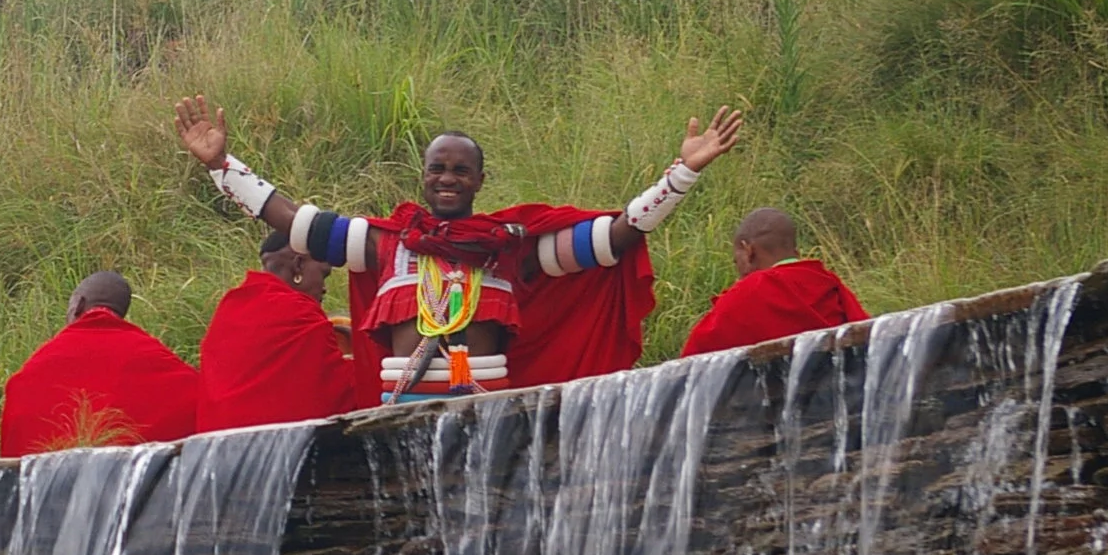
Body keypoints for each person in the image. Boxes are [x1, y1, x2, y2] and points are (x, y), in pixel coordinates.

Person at [175, 95, 743, 402]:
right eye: (438, 169)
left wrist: (682, 175)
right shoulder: (384, 244)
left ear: (478, 180)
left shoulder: (511, 249)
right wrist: (221, 166)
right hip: (402, 409)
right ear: (423, 176)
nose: (448, 178)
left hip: (490, 408)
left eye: (461, 170)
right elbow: (290, 219)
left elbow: (616, 237)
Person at [0, 271, 199, 457]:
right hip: (143, 490)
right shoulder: (157, 358)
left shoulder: (41, 364)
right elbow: (190, 395)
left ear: (78, 305)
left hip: (52, 490)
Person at [197, 231, 367, 431]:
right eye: (323, 274)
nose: (324, 288)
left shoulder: (230, 307)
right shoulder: (299, 311)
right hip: (276, 449)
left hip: (214, 447)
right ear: (298, 265)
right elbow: (337, 393)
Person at [681, 208, 869, 356]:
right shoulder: (828, 282)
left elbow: (693, 360)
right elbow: (866, 336)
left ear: (748, 250)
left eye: (735, 260)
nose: (737, 270)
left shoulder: (748, 292)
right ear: (795, 252)